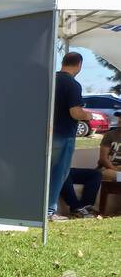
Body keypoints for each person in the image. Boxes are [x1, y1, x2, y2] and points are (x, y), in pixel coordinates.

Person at [47, 52, 92, 223]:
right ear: (79, 64)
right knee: (59, 173)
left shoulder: (50, 80)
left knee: (44, 173)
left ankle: (38, 208)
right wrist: (88, 116)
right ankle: (49, 211)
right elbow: (75, 112)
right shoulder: (72, 84)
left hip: (46, 134)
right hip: (64, 135)